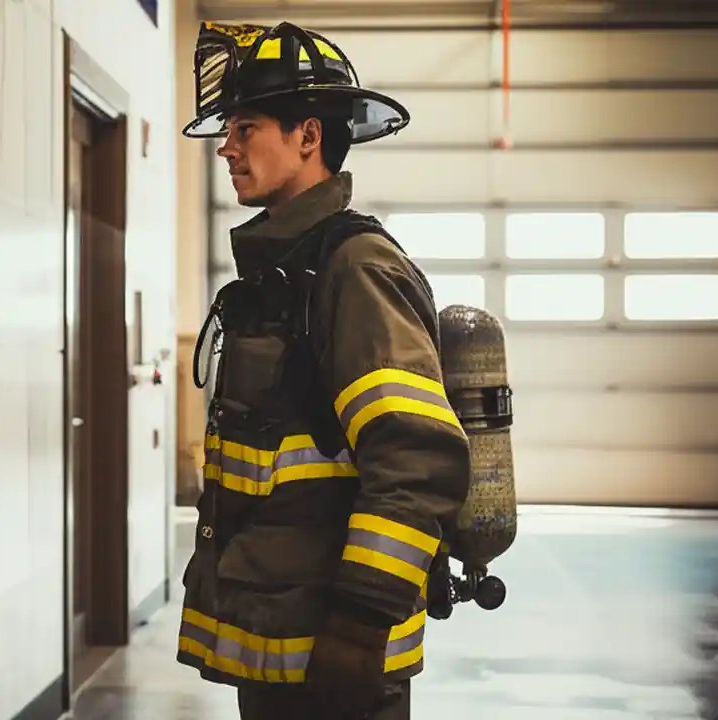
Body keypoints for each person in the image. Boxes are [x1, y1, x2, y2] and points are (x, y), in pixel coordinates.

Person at [178, 21, 474, 719]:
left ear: (307, 137)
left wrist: (360, 626)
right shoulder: (289, 272)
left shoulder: (355, 269)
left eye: (245, 127)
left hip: (334, 650)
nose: (226, 147)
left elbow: (415, 460)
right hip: (287, 639)